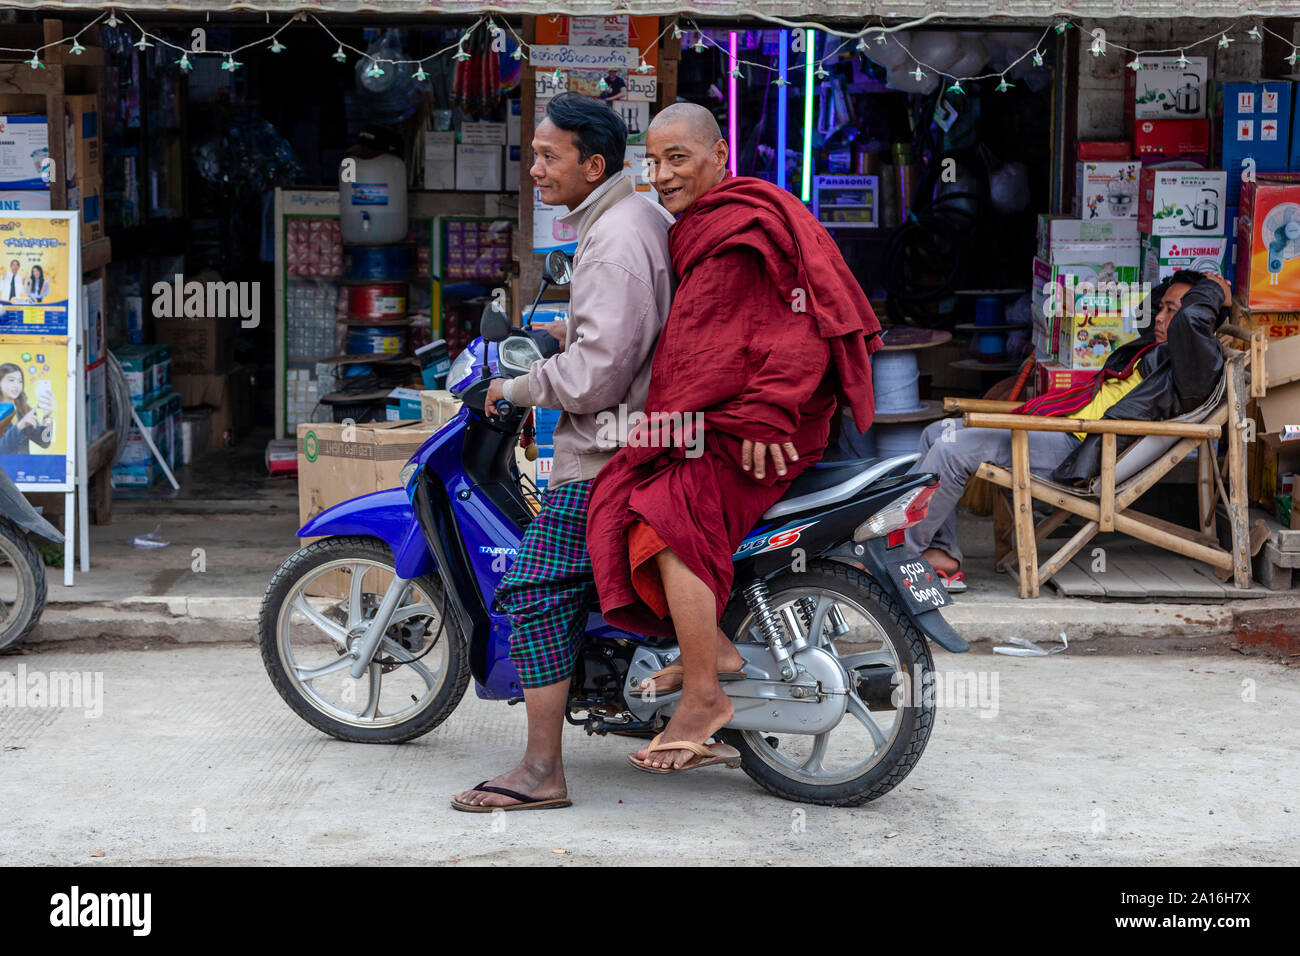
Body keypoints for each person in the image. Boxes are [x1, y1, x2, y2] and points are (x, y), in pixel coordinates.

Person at [584, 103, 882, 772]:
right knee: (627, 493)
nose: (661, 175)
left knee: (662, 517)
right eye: (653, 162)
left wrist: (770, 408)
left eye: (678, 158)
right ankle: (709, 650)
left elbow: (799, 325)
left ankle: (704, 693)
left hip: (763, 426)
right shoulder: (705, 226)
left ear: (720, 157)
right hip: (722, 418)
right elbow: (713, 334)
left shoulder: (755, 221)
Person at [451, 93, 675, 811]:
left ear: (595, 164)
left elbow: (598, 375)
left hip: (610, 449)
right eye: (535, 155)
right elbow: (613, 336)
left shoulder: (612, 239)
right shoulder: (629, 218)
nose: (536, 171)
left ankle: (542, 771)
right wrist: (556, 337)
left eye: (549, 157)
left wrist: (517, 388)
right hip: (644, 433)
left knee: (536, 593)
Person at [906, 269, 1231, 588]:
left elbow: (1189, 323)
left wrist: (1213, 291)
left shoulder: (1196, 365)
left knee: (951, 450)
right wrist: (1192, 282)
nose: (1160, 317)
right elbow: (1148, 312)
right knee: (936, 433)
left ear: (1199, 317)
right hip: (1067, 433)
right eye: (1163, 308)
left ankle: (901, 556)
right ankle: (942, 554)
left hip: (1082, 452)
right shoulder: (1158, 349)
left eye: (1172, 311)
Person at [0, 364, 54, 454]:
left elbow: (45, 443)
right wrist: (19, 426)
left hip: (23, 467)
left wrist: (47, 416)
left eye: (20, 381)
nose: (16, 385)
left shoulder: (25, 410)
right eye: (11, 380)